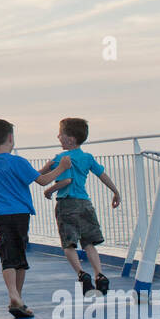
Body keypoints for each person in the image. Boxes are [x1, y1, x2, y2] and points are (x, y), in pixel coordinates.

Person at [0, 119, 72, 318]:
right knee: (19, 258)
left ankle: (17, 300)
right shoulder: (18, 161)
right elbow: (41, 182)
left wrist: (44, 168)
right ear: (10, 137)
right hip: (19, 214)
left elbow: (28, 176)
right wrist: (61, 168)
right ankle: (16, 296)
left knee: (7, 255)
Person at [41, 118, 122, 295]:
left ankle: (81, 273)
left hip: (67, 203)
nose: (58, 136)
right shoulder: (87, 157)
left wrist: (49, 190)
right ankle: (99, 274)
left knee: (68, 244)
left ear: (70, 139)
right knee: (89, 243)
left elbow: (63, 181)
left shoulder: (61, 158)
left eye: (61, 133)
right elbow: (102, 175)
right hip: (85, 204)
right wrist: (115, 191)